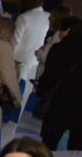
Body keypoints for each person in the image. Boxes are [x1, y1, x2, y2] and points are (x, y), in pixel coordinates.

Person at [35, 16, 82, 149]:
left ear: (68, 30)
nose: (59, 34)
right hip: (79, 108)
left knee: (49, 144)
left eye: (61, 30)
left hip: (59, 103)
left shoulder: (59, 48)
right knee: (76, 147)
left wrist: (41, 91)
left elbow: (50, 76)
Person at [12, 0, 49, 83]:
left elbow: (15, 40)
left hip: (20, 59)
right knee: (28, 87)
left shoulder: (24, 17)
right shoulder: (48, 16)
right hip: (36, 59)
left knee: (17, 88)